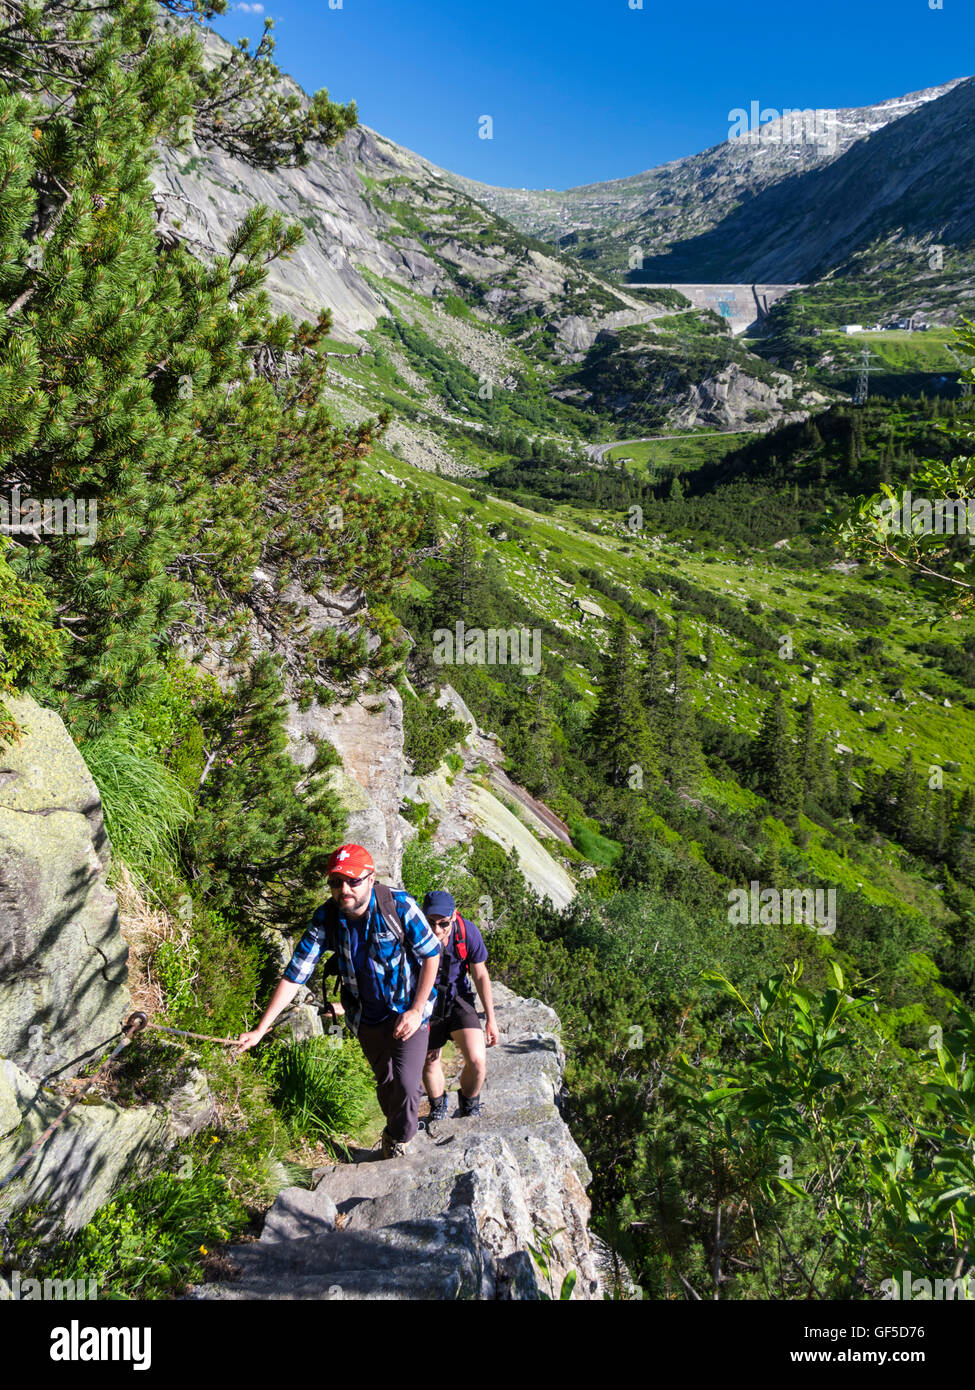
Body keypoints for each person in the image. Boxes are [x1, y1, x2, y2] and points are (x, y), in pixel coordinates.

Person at [237, 844, 441, 1159]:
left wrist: (416, 1010)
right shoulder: (327, 917)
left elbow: (431, 953)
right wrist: (261, 1029)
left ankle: (400, 1139)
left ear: (370, 879)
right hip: (365, 1019)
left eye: (352, 881)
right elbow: (295, 974)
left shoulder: (398, 907)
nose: (343, 889)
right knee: (387, 1084)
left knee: (405, 1083)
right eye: (335, 882)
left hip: (408, 1012)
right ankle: (394, 1126)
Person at [421, 890, 498, 1120]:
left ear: (454, 916)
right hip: (426, 999)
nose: (436, 929)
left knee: (477, 1060)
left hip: (458, 999)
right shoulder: (414, 933)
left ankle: (468, 1104)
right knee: (430, 1057)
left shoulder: (467, 932)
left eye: (443, 923)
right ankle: (437, 1106)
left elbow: (481, 975)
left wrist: (490, 1019)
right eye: (431, 922)